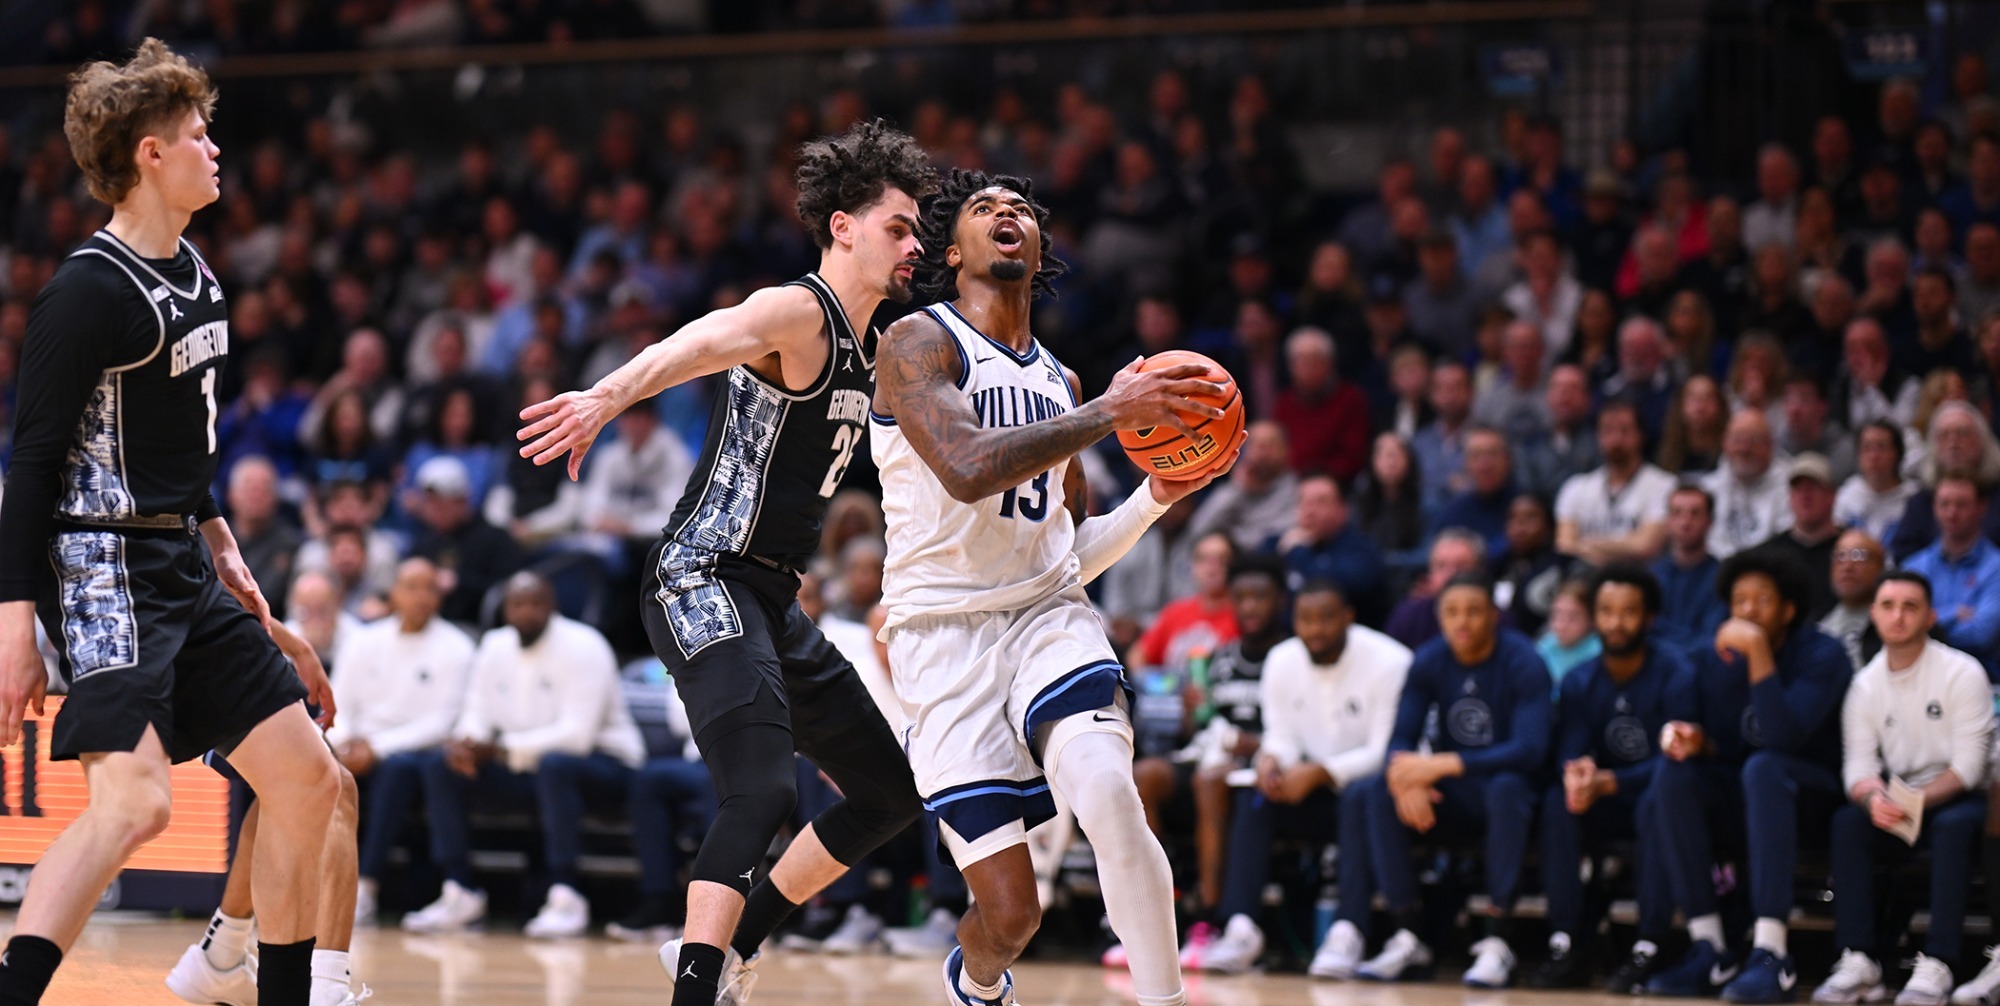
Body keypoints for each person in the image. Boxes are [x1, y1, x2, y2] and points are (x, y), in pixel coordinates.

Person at [516, 120, 936, 1006]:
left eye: (918, 230)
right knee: (760, 788)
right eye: (899, 227)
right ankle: (696, 992)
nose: (915, 244)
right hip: (698, 575)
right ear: (843, 228)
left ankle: (730, 947)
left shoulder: (876, 349)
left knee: (888, 791)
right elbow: (700, 341)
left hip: (771, 598)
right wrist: (604, 398)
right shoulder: (799, 310)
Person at [0, 40, 342, 1006]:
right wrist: (14, 626)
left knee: (309, 780)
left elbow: (187, 464)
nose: (214, 150)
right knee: (138, 806)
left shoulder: (197, 272)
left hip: (183, 558)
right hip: (101, 564)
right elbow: (28, 467)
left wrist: (246, 586)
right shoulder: (82, 293)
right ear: (150, 154)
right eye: (198, 136)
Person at [871, 167, 1246, 1006]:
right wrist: (1111, 413)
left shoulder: (1064, 382)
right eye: (982, 207)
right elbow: (968, 469)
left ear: (1039, 250)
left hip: (1047, 620)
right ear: (952, 248)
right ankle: (976, 980)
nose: (1006, 213)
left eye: (1022, 210)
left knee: (1110, 791)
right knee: (1009, 918)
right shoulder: (915, 343)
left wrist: (1154, 498)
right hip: (940, 642)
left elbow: (1065, 556)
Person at [1643, 550, 1851, 1001]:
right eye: (1740, 601)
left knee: (1765, 766)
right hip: (1747, 798)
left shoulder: (1824, 654)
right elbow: (1712, 736)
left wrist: (1758, 652)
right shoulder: (1712, 657)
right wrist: (1695, 741)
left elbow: (1781, 736)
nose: (1748, 611)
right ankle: (1710, 945)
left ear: (1788, 610)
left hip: (1812, 801)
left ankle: (1772, 952)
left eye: (1762, 600)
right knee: (1674, 774)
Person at [399, 572, 645, 937]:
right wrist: (467, 745)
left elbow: (577, 736)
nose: (527, 612)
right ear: (505, 609)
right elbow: (476, 712)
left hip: (605, 767)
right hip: (525, 765)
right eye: (518, 604)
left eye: (535, 603)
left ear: (552, 606)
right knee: (441, 765)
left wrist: (500, 749)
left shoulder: (585, 645)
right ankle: (460, 890)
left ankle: (567, 895)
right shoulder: (495, 646)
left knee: (556, 765)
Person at [1191, 580, 1412, 979]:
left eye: (1326, 619)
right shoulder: (1282, 659)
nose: (1316, 630)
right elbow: (1282, 734)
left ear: (1348, 617)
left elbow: (1386, 752)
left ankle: (1349, 930)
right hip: (1305, 787)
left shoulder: (1390, 661)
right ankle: (1242, 926)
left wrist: (1323, 771)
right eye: (1306, 620)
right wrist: (1273, 760)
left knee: (1359, 796)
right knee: (1254, 796)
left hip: (1367, 794)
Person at [1354, 573, 1552, 988]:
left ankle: (1498, 941)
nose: (1462, 622)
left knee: (1506, 787)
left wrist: (1442, 765)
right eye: (1451, 612)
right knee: (1377, 790)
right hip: (1456, 794)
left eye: (1474, 611)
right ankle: (1407, 934)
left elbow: (1531, 749)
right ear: (1438, 616)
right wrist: (1406, 780)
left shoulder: (1524, 661)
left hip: (1512, 796)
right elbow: (1400, 740)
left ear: (1494, 616)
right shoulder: (1428, 659)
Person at [1812, 572, 1992, 1006]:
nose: (1898, 616)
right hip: (1896, 798)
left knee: (1953, 827)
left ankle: (1938, 962)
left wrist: (1912, 801)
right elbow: (1857, 766)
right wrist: (1874, 798)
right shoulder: (1865, 684)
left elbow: (1968, 767)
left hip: (1956, 797)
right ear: (1873, 614)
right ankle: (1860, 961)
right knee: (1848, 821)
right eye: (1888, 605)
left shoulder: (1963, 672)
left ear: (1930, 616)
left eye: (1910, 606)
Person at [1122, 555, 1291, 971]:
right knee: (1143, 777)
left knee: (1210, 780)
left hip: (1259, 769)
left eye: (1260, 597)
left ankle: (1208, 921)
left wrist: (1253, 744)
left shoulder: (1291, 657)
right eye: (1242, 598)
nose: (1250, 606)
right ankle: (1157, 912)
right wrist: (1187, 712)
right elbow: (1193, 730)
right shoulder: (1218, 658)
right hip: (1206, 759)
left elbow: (1298, 731)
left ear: (1280, 601)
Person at [1530, 565, 1686, 993]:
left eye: (1629, 611)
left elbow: (1677, 759)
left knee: (1661, 800)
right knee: (1555, 801)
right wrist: (1578, 774)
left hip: (1657, 793)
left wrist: (1610, 782)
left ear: (1649, 617)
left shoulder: (1674, 672)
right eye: (1606, 611)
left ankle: (1651, 942)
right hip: (1607, 796)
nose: (1616, 623)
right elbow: (1573, 748)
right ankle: (1567, 939)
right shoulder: (1582, 679)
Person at [328, 558, 476, 923]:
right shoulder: (363, 641)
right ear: (393, 593)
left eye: (430, 588)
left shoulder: (457, 647)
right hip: (355, 749)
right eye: (411, 587)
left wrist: (376, 749)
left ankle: (366, 887)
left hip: (415, 754)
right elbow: (337, 702)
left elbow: (442, 722)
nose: (421, 597)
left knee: (398, 770)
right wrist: (346, 744)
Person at [1555, 398, 1678, 564]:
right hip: (1587, 579)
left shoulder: (1664, 485)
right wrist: (1624, 547)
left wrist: (1586, 544)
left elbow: (1646, 546)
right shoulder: (1576, 487)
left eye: (1625, 431)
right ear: (1598, 436)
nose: (1616, 439)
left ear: (1641, 436)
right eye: (1608, 431)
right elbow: (1565, 546)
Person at [1900, 475, 2000, 679]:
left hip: (1982, 678)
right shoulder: (1913, 566)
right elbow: (1899, 626)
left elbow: (1982, 635)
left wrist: (1923, 623)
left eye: (1961, 504)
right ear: (1934, 507)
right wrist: (1953, 613)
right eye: (1944, 504)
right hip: (1917, 677)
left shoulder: (1996, 567)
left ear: (1981, 508)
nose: (1951, 513)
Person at [1651, 485, 1730, 656]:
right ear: (1668, 521)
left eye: (1695, 513)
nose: (1685, 522)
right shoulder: (1651, 576)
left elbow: (1712, 638)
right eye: (1677, 513)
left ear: (1710, 521)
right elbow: (1647, 632)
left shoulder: (1723, 578)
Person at [1704, 408, 1794, 558]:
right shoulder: (1709, 488)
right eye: (1737, 440)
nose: (1744, 448)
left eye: (1753, 440)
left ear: (1770, 445)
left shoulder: (1791, 484)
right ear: (1724, 443)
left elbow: (1787, 539)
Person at [1834, 420, 1917, 543]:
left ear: (1897, 453)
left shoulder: (1915, 498)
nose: (1874, 456)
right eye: (1867, 448)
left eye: (1881, 447)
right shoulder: (1846, 496)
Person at [1819, 530, 1887, 672]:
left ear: (1880, 567)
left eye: (1859, 556)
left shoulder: (1895, 621)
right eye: (1840, 556)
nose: (1847, 566)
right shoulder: (1817, 620)